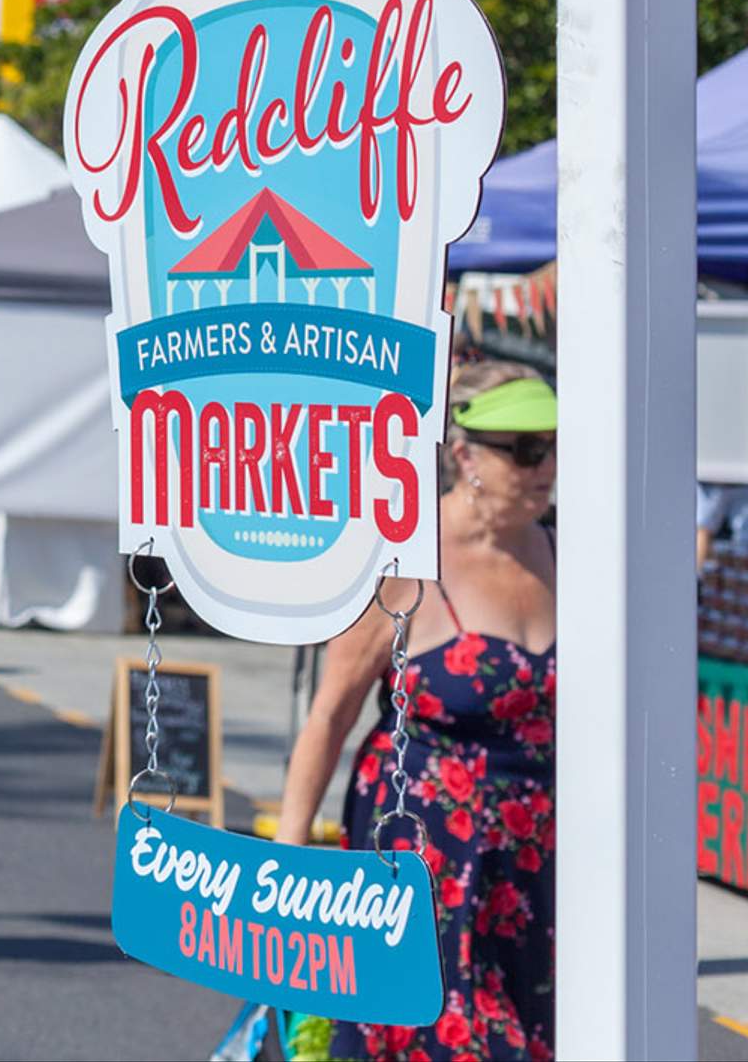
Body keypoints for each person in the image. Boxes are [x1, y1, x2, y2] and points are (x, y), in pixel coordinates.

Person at [276, 363, 559, 1062]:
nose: (544, 466)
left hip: (534, 862)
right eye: (522, 449)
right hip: (421, 853)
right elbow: (331, 713)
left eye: (553, 446)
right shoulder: (406, 554)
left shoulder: (567, 548)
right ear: (464, 454)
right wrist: (284, 863)